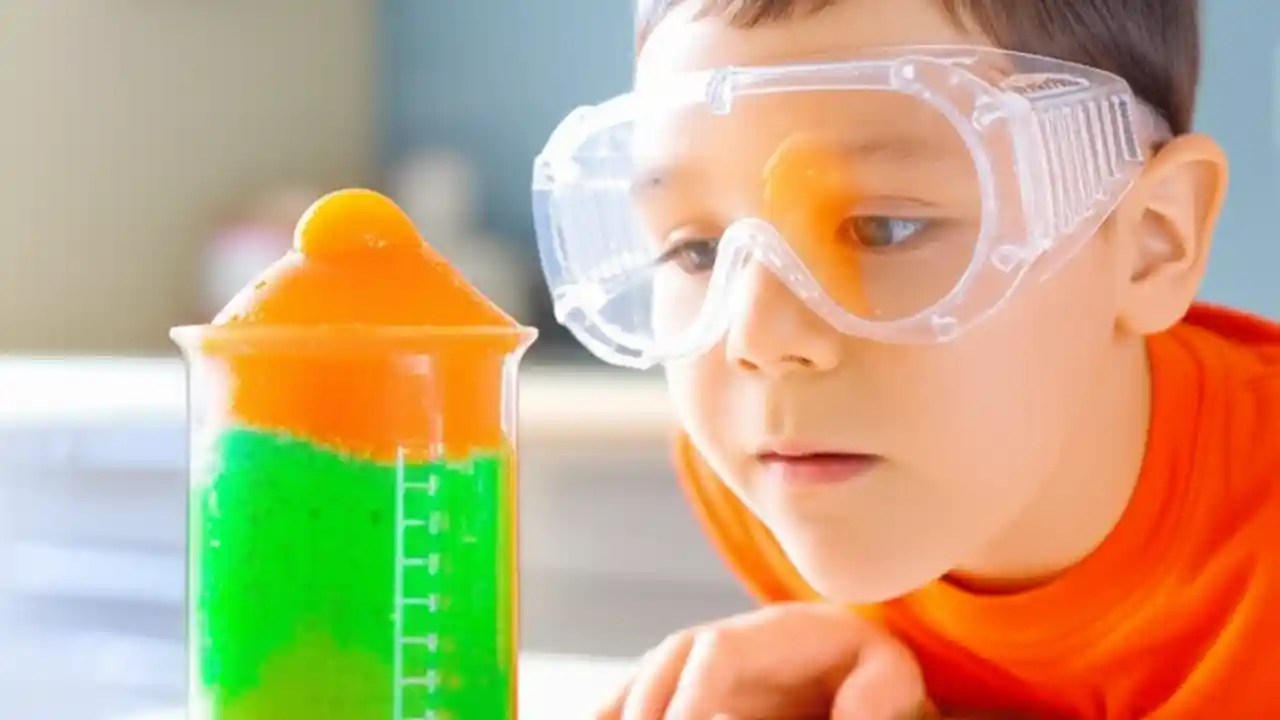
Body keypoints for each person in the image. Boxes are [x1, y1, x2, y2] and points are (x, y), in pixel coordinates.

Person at [530, 0, 1280, 717]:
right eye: (696, 250)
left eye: (882, 227)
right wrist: (898, 680)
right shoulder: (785, 478)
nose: (756, 340)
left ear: (1152, 241)